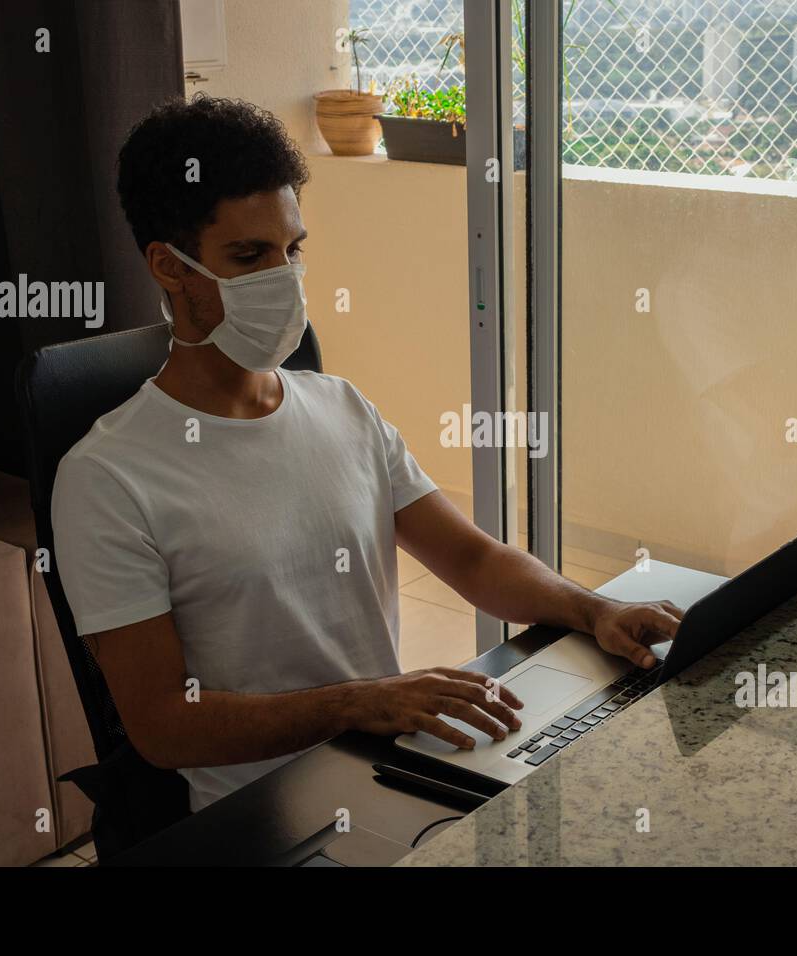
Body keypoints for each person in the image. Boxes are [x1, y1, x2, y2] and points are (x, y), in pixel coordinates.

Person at [52, 95, 682, 811]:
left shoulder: (342, 407)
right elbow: (163, 727)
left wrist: (593, 609)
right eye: (250, 256)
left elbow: (472, 560)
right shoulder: (108, 478)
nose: (284, 278)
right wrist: (361, 703)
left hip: (392, 770)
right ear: (170, 266)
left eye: (293, 250)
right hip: (266, 815)